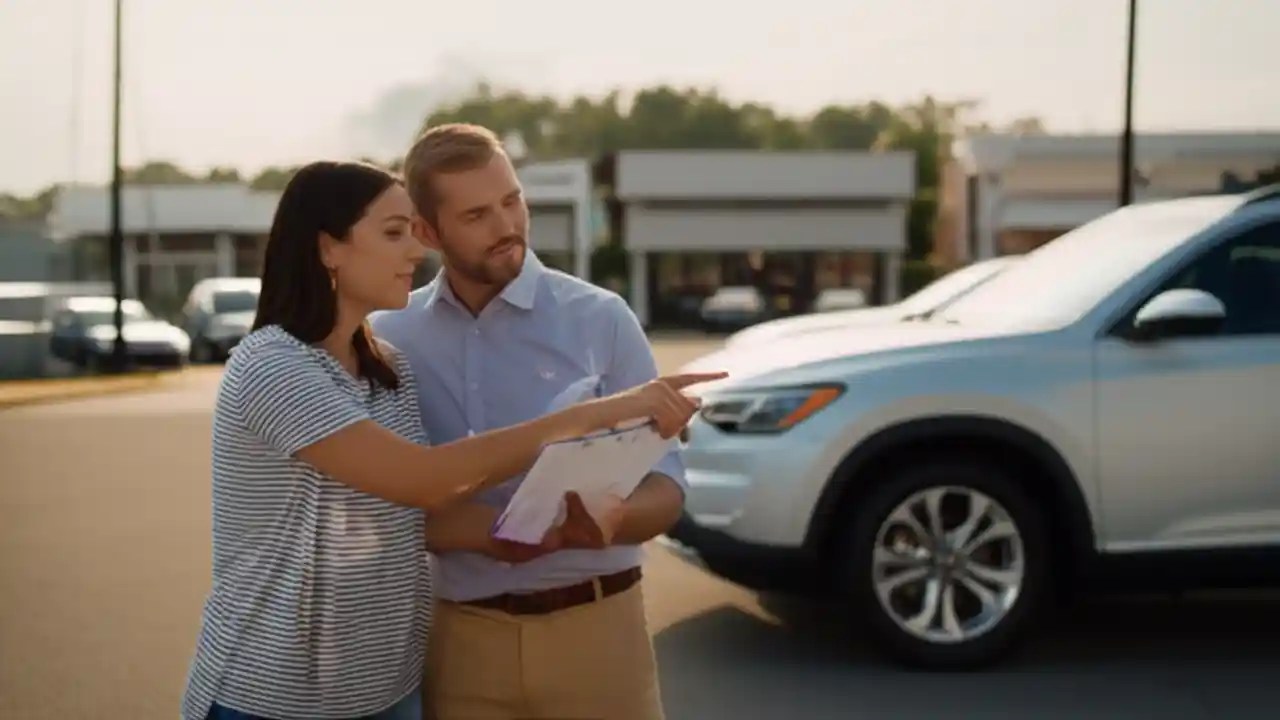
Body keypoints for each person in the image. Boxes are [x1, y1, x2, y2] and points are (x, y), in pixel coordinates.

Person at [180, 160, 722, 720]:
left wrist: (532, 533)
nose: (414, 252)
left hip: (387, 692)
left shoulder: (387, 368)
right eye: (395, 234)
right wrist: (599, 414)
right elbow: (427, 479)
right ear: (328, 249)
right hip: (275, 695)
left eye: (513, 202)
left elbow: (407, 512)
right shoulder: (273, 365)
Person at [371, 123, 702, 720]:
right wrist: (491, 532)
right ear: (426, 231)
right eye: (476, 216)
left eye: (511, 200)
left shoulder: (603, 319)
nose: (506, 227)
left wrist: (613, 519)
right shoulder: (390, 340)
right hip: (460, 641)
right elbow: (383, 505)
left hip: (599, 636)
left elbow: (669, 489)